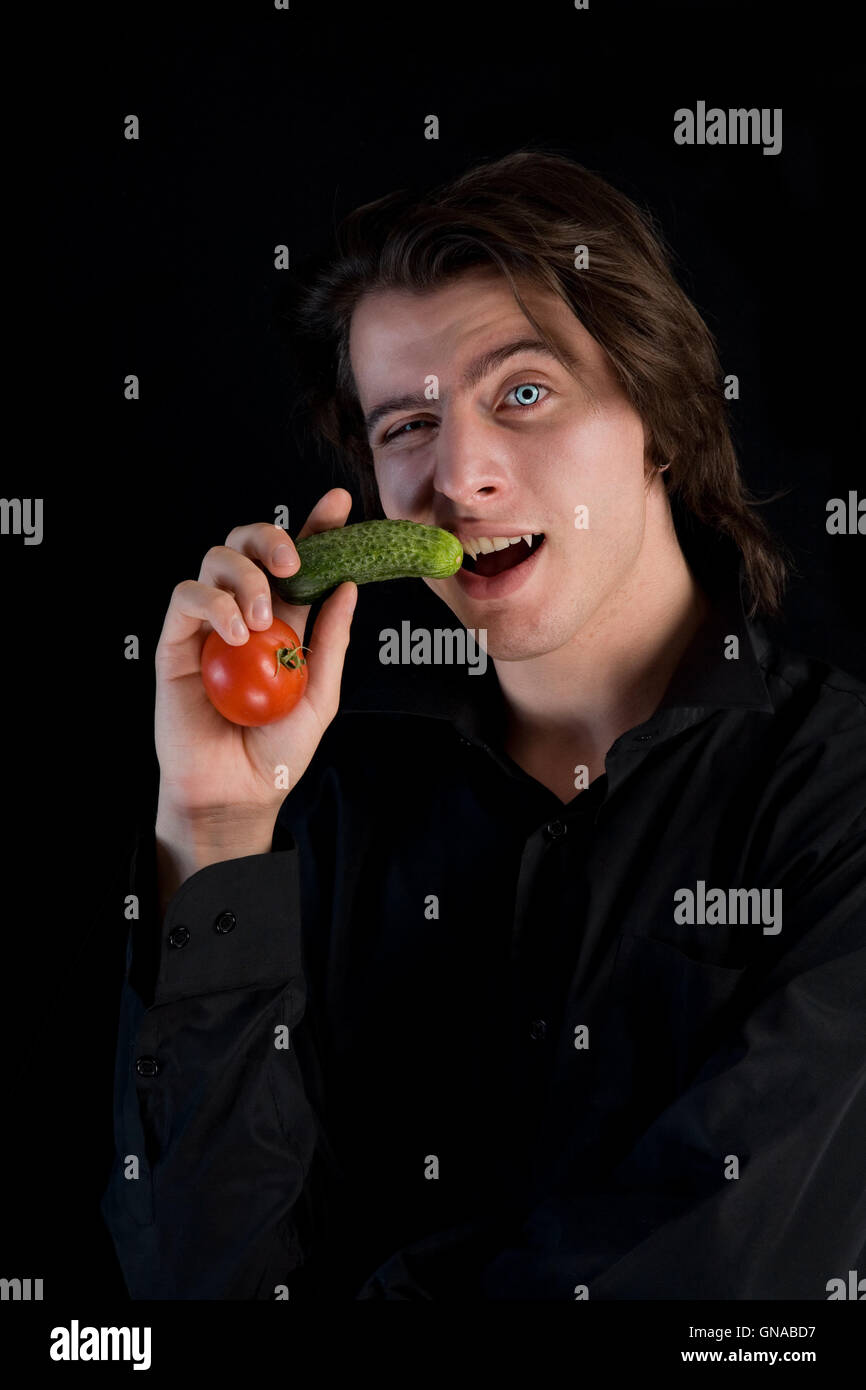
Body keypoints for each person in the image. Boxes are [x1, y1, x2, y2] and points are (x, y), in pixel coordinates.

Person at [101, 151, 866, 1300]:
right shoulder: (321, 806)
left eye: (521, 392)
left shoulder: (839, 794)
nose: (457, 477)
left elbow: (720, 1279)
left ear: (658, 413)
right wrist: (212, 833)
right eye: (405, 424)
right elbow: (193, 1276)